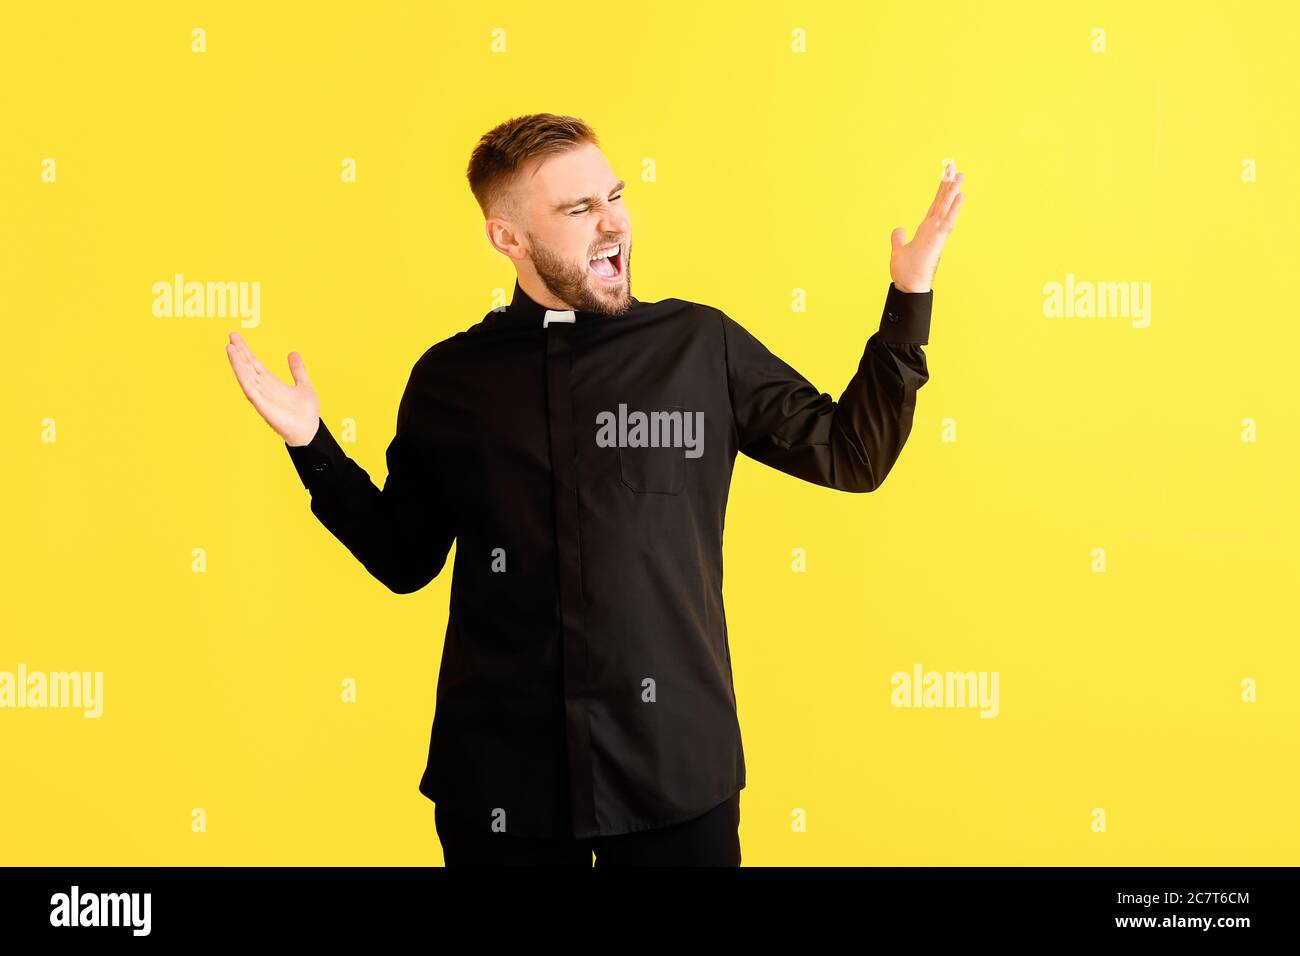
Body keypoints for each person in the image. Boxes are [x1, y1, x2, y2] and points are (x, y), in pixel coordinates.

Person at [225, 113, 965, 866]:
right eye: (579, 210)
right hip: (501, 794)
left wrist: (910, 296)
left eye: (615, 196)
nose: (613, 223)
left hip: (676, 781)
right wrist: (310, 445)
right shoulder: (452, 380)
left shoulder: (698, 346)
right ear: (507, 239)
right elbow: (404, 558)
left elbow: (853, 454)